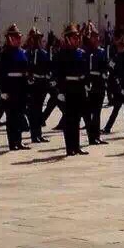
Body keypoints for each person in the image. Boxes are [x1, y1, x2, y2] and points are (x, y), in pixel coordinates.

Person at [51, 24, 90, 156]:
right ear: (67, 39)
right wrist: (60, 91)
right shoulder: (61, 54)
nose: (77, 40)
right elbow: (58, 74)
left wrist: (85, 84)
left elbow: (85, 71)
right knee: (69, 119)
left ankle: (77, 146)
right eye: (74, 37)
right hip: (68, 89)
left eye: (77, 37)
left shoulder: (81, 53)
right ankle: (69, 148)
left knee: (77, 119)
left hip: (79, 88)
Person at [0, 24, 29, 151]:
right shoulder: (5, 54)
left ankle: (19, 141)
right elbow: (1, 74)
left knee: (19, 115)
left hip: (21, 87)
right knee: (11, 117)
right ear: (10, 38)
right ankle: (12, 142)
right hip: (10, 87)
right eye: (16, 37)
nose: (18, 39)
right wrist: (2, 90)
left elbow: (26, 69)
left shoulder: (22, 52)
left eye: (19, 37)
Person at [83, 25, 110, 146]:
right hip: (89, 82)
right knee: (89, 112)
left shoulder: (101, 52)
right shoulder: (85, 52)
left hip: (99, 82)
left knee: (97, 112)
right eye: (93, 37)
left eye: (96, 37)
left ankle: (97, 136)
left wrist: (105, 73)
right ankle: (91, 137)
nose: (95, 39)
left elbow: (105, 66)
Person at [23, 27, 51, 144]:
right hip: (32, 85)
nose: (38, 41)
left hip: (41, 84)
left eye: (39, 39)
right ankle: (34, 135)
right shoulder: (28, 53)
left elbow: (47, 67)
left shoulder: (42, 52)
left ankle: (38, 134)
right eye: (36, 39)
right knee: (33, 111)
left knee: (38, 110)